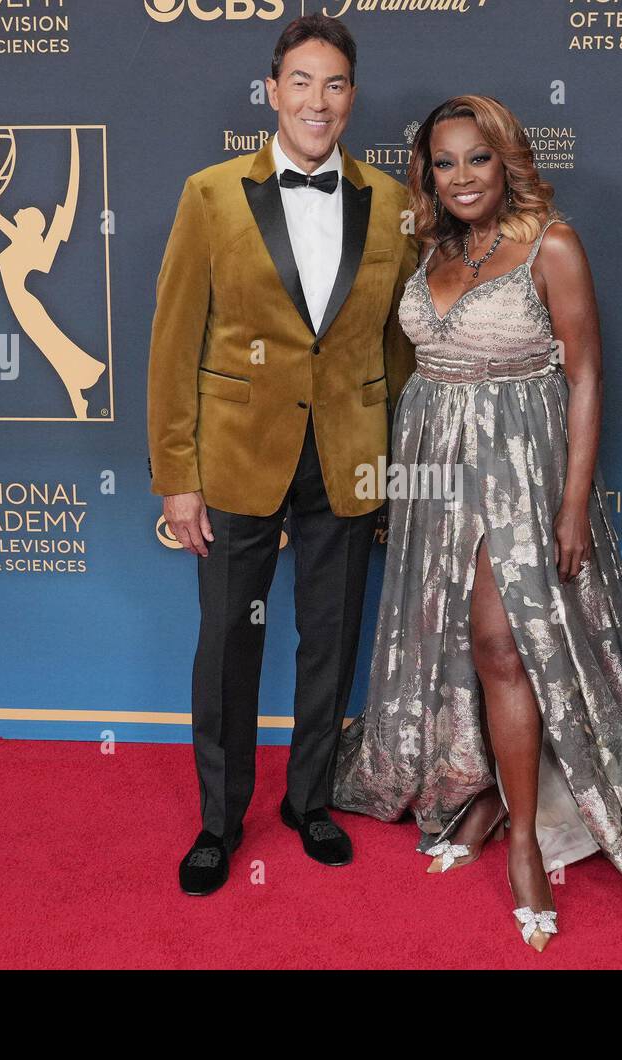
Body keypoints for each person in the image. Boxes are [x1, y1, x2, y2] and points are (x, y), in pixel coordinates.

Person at [331, 95, 622, 950]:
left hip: (521, 476)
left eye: (478, 160)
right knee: (453, 645)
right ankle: (494, 794)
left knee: (504, 645)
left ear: (509, 162)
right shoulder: (427, 248)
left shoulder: (553, 246)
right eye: (444, 162)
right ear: (426, 172)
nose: (461, 177)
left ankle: (528, 844)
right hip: (435, 471)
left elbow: (584, 376)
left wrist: (573, 504)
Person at [147, 14, 417, 896]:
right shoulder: (211, 195)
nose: (317, 100)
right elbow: (173, 343)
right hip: (235, 457)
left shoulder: (390, 204)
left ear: (352, 98)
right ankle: (220, 821)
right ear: (271, 91)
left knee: (330, 642)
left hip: (348, 460)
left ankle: (311, 803)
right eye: (301, 81)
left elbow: (400, 350)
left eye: (334, 84)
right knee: (227, 642)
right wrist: (177, 479)